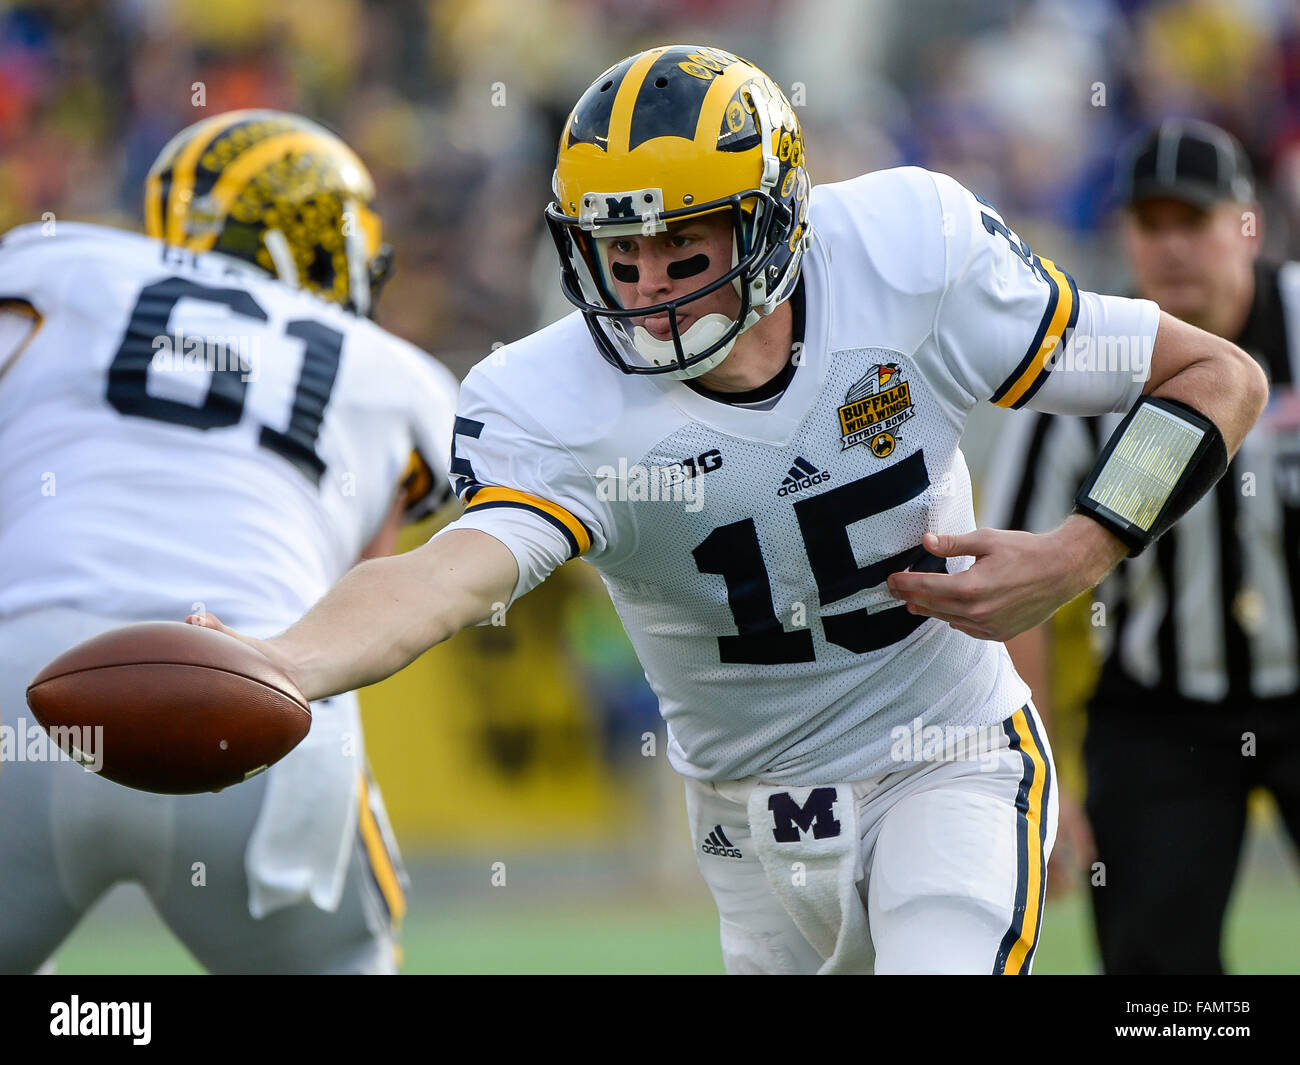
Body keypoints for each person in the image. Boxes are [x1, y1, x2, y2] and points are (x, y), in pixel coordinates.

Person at [190, 48, 1267, 974]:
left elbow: (1215, 377)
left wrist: (1083, 548)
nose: (647, 286)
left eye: (683, 247)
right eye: (621, 251)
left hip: (947, 752)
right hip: (748, 815)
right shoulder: (551, 399)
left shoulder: (910, 256)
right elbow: (442, 577)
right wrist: (283, 662)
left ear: (773, 223)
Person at [0, 110, 460, 974]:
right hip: (255, 693)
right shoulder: (393, 371)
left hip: (19, 680)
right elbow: (364, 600)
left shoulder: (52, 266)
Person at [981, 118, 1300, 974]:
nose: (1171, 246)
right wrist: (1042, 787)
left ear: (1247, 225)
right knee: (1162, 990)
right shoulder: (1087, 362)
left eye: (1192, 221)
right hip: (1162, 714)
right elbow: (1018, 586)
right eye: (1149, 223)